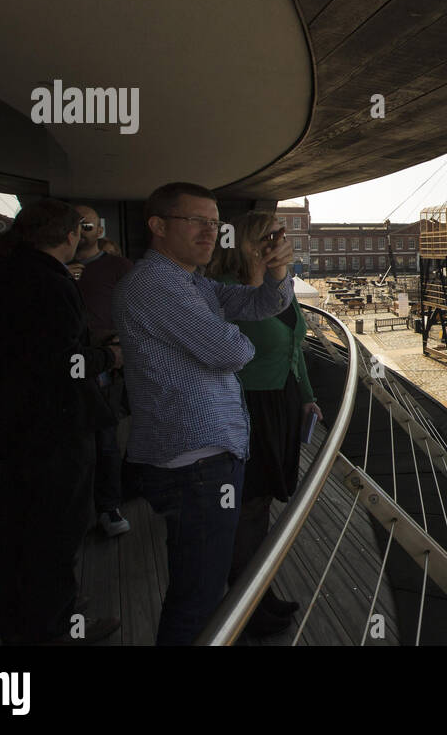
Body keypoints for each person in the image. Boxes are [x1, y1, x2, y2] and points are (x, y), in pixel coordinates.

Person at [112, 182, 295, 645]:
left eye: (214, 223)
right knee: (198, 596)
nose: (209, 232)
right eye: (195, 221)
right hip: (193, 464)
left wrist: (277, 272)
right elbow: (231, 351)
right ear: (157, 226)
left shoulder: (190, 282)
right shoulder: (154, 285)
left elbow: (261, 303)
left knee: (202, 586)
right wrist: (234, 334)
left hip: (205, 458)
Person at [0, 199, 121, 644]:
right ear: (70, 234)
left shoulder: (4, 274)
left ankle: (35, 620)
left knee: (22, 536)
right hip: (54, 432)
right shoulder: (51, 283)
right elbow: (63, 364)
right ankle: (55, 628)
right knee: (54, 537)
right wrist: (108, 355)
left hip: (13, 428)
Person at [206, 211, 320, 636]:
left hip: (283, 403)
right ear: (245, 244)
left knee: (261, 505)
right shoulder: (226, 296)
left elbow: (295, 346)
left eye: (282, 233)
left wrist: (307, 397)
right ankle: (245, 605)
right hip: (249, 408)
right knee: (247, 506)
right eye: (270, 235)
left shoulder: (279, 287)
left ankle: (257, 593)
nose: (280, 240)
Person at [71, 205, 135, 537]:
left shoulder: (118, 267)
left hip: (103, 365)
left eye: (87, 225)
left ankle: (108, 506)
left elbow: (138, 313)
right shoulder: (53, 269)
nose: (80, 230)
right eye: (75, 224)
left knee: (105, 438)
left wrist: (116, 343)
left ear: (99, 230)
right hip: (61, 368)